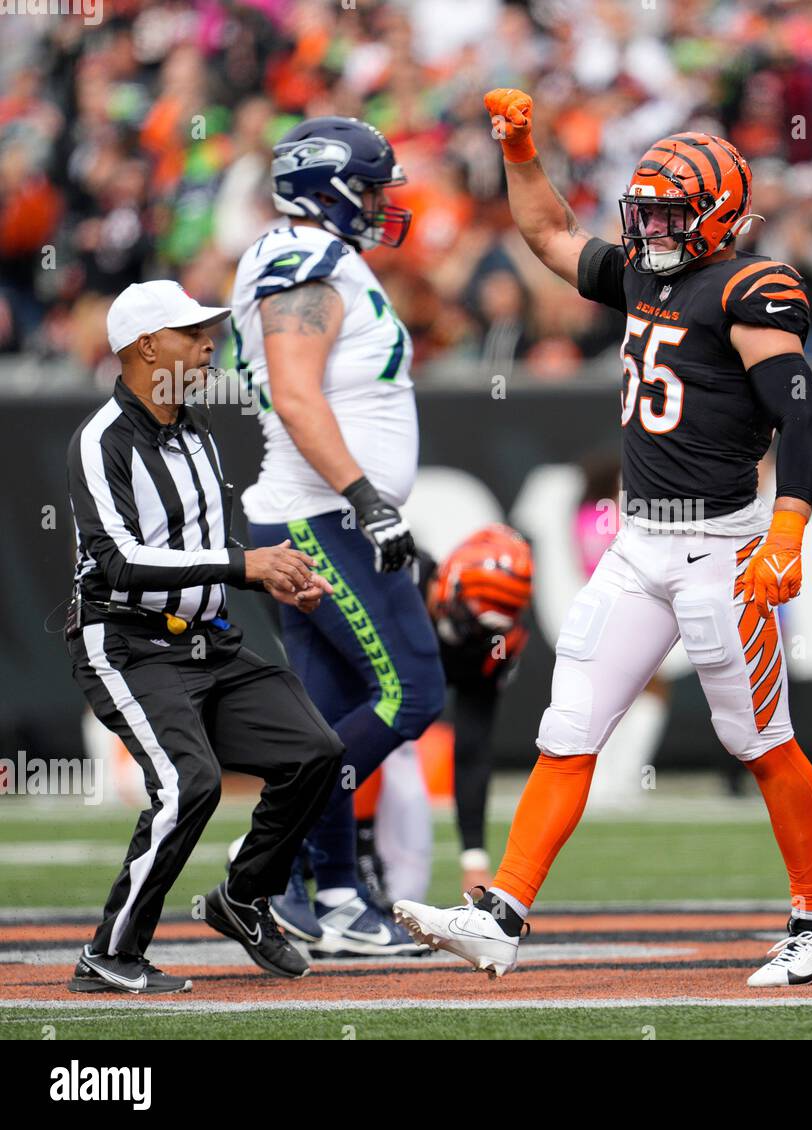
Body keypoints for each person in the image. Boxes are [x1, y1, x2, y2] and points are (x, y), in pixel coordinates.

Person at [395, 88, 812, 988]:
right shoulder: (646, 272)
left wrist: (788, 529)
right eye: (647, 212)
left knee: (761, 740)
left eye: (674, 212)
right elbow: (549, 235)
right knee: (569, 728)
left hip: (724, 549)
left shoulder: (751, 288)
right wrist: (521, 154)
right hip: (639, 545)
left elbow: (802, 419)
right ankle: (502, 916)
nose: (654, 228)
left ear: (719, 214)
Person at [65, 279, 343, 994]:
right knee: (190, 784)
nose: (207, 342)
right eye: (190, 332)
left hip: (207, 642)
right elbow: (119, 563)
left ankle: (244, 898)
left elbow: (210, 545)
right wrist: (241, 564)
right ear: (146, 347)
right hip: (125, 642)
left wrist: (267, 575)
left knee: (314, 751)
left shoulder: (196, 429)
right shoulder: (101, 441)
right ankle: (111, 952)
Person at [232, 116, 444, 957]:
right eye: (373, 184)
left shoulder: (319, 257)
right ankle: (268, 868)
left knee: (326, 716)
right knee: (412, 691)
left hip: (321, 510)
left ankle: (343, 900)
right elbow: (295, 393)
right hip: (318, 514)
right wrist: (368, 499)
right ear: (326, 186)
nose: (385, 200)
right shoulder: (303, 261)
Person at [353, 525, 534, 907]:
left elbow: (472, 746)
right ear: (448, 582)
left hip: (396, 731)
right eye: (473, 618)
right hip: (358, 709)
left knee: (408, 883)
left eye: (491, 626)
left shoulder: (496, 647)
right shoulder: (399, 581)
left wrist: (474, 859)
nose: (476, 634)